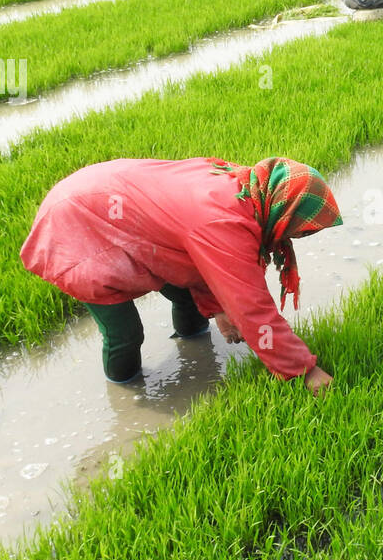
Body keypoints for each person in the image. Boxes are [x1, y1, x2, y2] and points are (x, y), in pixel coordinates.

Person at [20, 156, 342, 394]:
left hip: (121, 210)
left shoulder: (245, 190)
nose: (297, 239)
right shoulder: (223, 221)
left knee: (184, 295)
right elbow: (252, 309)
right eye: (301, 230)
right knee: (125, 334)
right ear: (285, 209)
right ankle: (125, 393)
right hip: (79, 225)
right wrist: (305, 370)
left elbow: (206, 264)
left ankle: (194, 348)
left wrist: (218, 310)